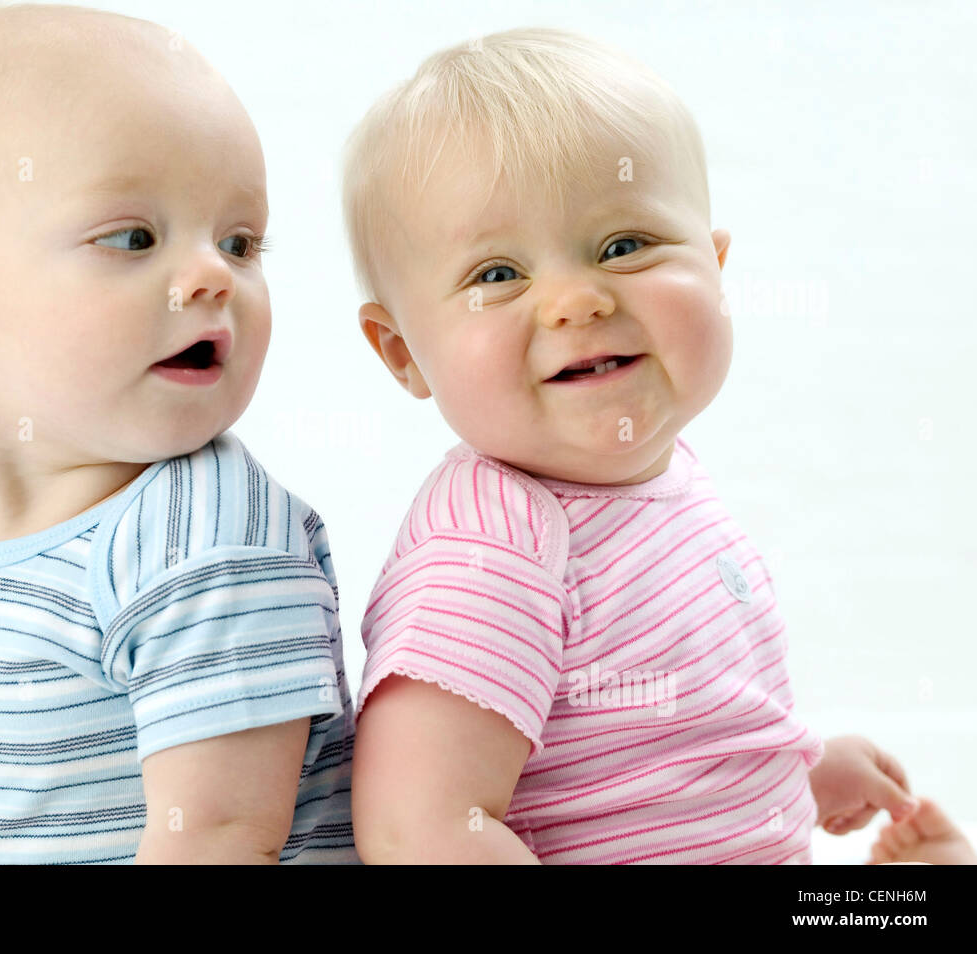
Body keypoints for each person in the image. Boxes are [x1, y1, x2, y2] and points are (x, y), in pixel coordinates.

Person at [340, 26, 912, 864]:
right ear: (402, 351)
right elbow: (417, 827)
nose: (576, 299)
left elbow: (670, 733)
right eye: (497, 274)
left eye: (624, 245)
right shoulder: (495, 546)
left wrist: (798, 774)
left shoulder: (666, 478)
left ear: (716, 269)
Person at [0, 3, 356, 864]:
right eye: (134, 237)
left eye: (240, 241)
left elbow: (217, 838)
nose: (212, 275)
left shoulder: (205, 543)